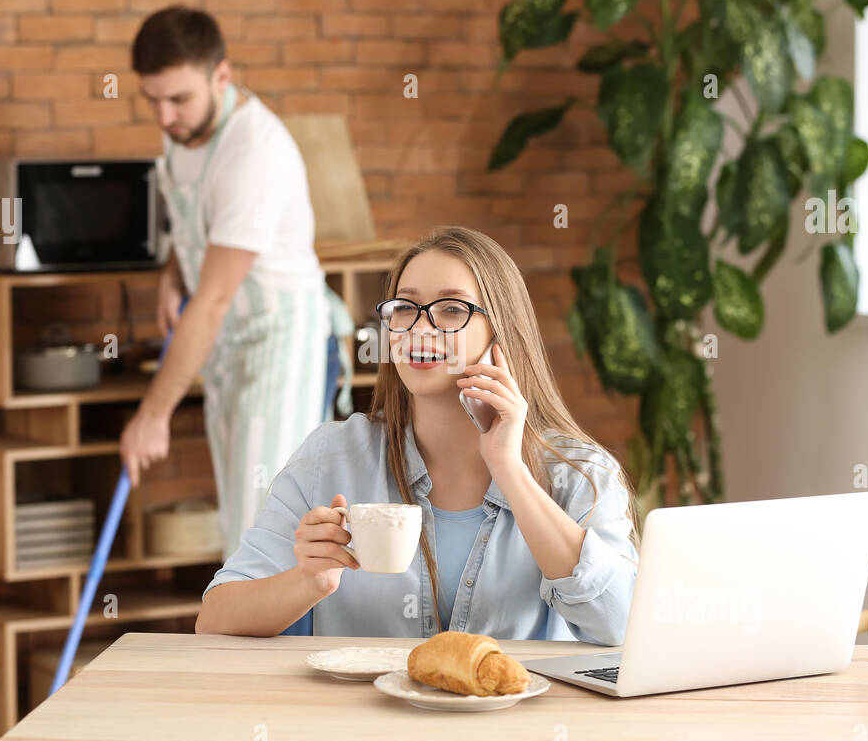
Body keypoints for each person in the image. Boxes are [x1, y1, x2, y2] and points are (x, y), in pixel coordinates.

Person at [196, 225, 640, 645]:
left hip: (516, 726)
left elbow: (623, 628)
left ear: (501, 332)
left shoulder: (580, 474)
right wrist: (306, 581)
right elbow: (215, 620)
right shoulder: (331, 458)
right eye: (405, 309)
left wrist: (510, 469)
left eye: (452, 309)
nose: (419, 329)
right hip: (364, 725)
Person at [120, 6, 352, 563]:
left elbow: (216, 296)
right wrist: (173, 273)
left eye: (178, 99)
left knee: (267, 531)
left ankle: (276, 653)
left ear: (221, 76)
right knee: (241, 527)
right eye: (151, 99)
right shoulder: (184, 132)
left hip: (280, 345)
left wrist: (153, 416)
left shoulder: (253, 152)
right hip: (228, 341)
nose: (164, 115)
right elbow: (196, 221)